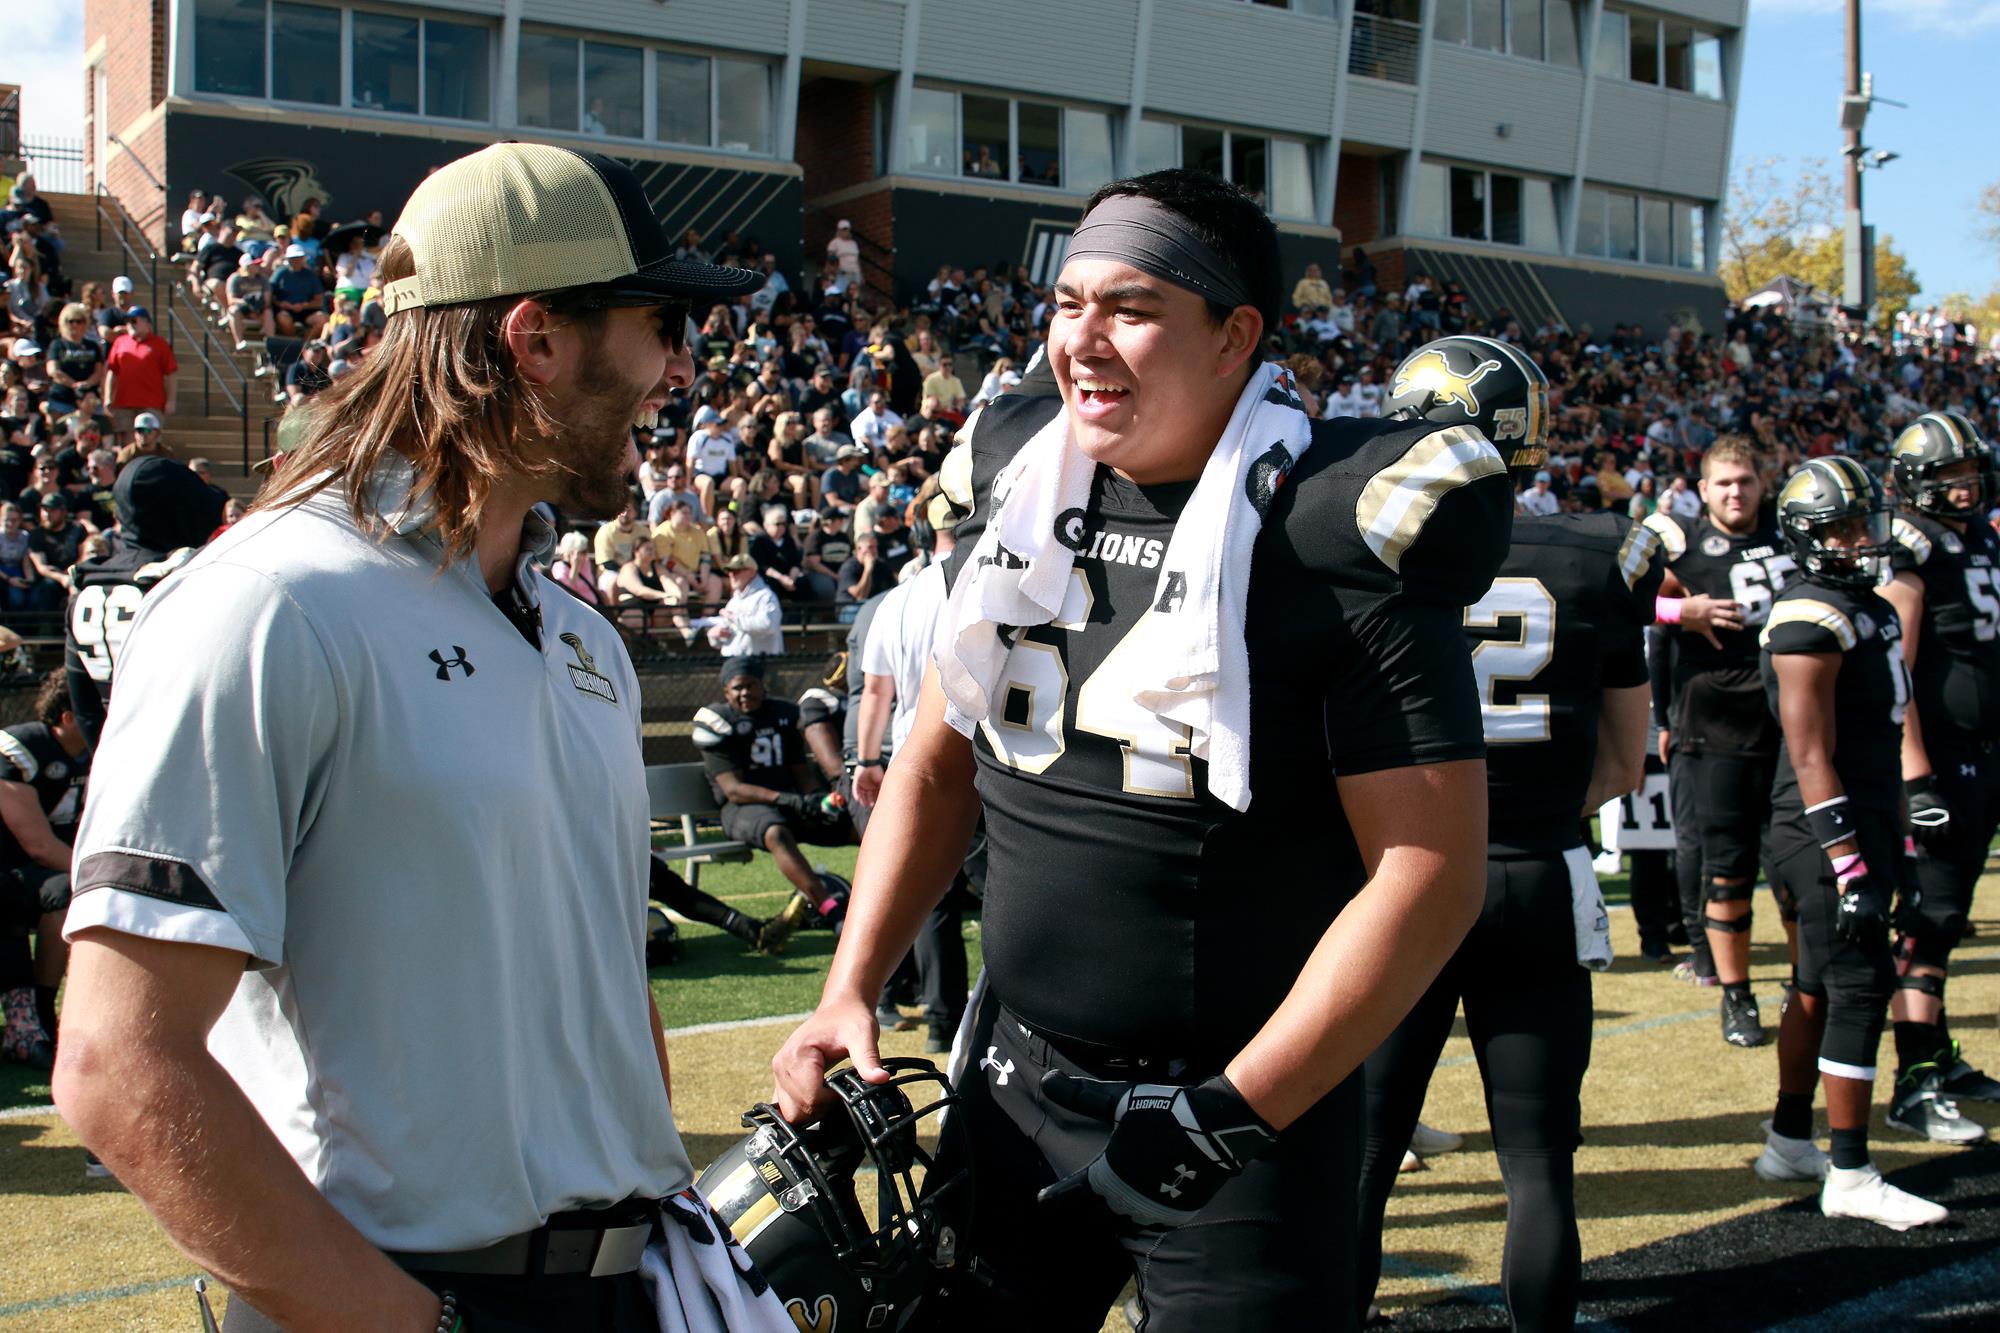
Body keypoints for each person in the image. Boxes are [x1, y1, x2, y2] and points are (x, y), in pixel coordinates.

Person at [52, 141, 792, 1331]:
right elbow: (118, 1063)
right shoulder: (271, 605)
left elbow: (603, 980)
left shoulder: (581, 638)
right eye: (661, 322)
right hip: (396, 1298)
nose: (677, 368)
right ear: (537, 338)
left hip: (621, 1288)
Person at [771, 168, 1509, 1330]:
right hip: (1012, 1085)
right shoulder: (1016, 475)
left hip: (1241, 1115)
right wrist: (847, 986)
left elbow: (1429, 870)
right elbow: (934, 763)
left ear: (1234, 336)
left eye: (1130, 306)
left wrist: (1233, 1112)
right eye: (1066, 304)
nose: (1082, 340)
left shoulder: (1329, 527)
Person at [1357, 338, 1657, 1330]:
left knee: (1358, 1161)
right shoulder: (1589, 551)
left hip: (1395, 881)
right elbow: (1622, 762)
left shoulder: (1359, 552)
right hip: (1534, 868)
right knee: (1537, 1168)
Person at [1753, 456, 1948, 1231]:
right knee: (1859, 985)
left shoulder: (1865, 604)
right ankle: (1851, 1169)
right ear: (1806, 536)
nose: (1861, 538)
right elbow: (1809, 753)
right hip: (1820, 826)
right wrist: (1850, 862)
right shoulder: (1807, 614)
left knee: (1814, 983)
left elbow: (1882, 729)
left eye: (1863, 522)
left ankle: (1788, 1138)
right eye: (1842, 526)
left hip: (1861, 817)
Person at [1645, 437, 1797, 1047]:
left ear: (1764, 484)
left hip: (1787, 723)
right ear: (1703, 489)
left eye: (1746, 481)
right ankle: (1736, 996)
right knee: (1725, 868)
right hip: (1713, 727)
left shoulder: (1792, 535)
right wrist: (1688, 614)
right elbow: (1628, 601)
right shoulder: (1679, 542)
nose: (1737, 492)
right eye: (1724, 483)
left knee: (1794, 867)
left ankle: (1803, 982)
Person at [1877, 412, 2000, 1137]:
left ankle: (1939, 1054)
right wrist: (1914, 772)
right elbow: (1898, 669)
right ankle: (1914, 1080)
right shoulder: (1911, 547)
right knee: (1928, 916)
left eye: (1970, 470)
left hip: (1982, 751)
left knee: (1951, 918)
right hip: (1943, 757)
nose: (1966, 484)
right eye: (1950, 473)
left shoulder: (1976, 535)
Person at [851, 479, 972, 1054]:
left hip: (906, 761)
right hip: (975, 762)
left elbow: (875, 692)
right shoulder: (984, 581)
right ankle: (990, 1021)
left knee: (933, 901)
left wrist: (867, 760)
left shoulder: (895, 600)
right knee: (998, 894)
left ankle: (943, 1019)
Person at [64, 455, 224, 748]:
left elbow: (85, 708)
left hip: (113, 762)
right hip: (178, 753)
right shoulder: (177, 578)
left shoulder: (86, 585)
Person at [691, 658, 848, 933]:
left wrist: (818, 799)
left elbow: (800, 771)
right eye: (737, 688)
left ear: (762, 686)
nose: (745, 693)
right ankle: (832, 912)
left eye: (750, 685)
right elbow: (734, 790)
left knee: (856, 824)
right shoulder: (718, 721)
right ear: (726, 693)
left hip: (787, 802)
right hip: (741, 809)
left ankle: (892, 898)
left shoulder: (783, 714)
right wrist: (786, 799)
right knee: (776, 832)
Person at [0, 672, 90, 1073]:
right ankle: (24, 1022)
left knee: (65, 892)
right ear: (69, 717)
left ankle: (41, 1013)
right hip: (12, 867)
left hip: (45, 871)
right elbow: (38, 844)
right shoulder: (21, 748)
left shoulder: (99, 751)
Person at [102, 307, 179, 438]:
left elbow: (171, 374)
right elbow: (112, 371)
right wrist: (108, 397)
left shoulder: (160, 344)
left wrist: (171, 400)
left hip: (151, 404)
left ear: (146, 323)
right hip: (123, 403)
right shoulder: (120, 342)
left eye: (134, 321)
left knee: (150, 442)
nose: (130, 325)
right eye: (127, 321)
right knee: (127, 443)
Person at [707, 552, 783, 657]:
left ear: (752, 572)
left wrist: (733, 618)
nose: (732, 575)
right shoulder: (734, 601)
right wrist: (714, 636)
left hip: (759, 664)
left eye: (737, 571)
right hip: (732, 663)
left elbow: (767, 625)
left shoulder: (766, 597)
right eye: (729, 571)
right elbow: (727, 636)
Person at [269, 244, 328, 337]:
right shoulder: (280, 273)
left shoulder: (310, 275)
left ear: (303, 258)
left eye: (298, 257)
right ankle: (292, 343)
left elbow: (319, 301)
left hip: (307, 311)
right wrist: (280, 304)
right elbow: (270, 293)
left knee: (322, 319)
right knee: (283, 318)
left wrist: (304, 306)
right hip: (285, 310)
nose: (296, 260)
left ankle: (305, 344)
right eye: (293, 258)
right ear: (288, 259)